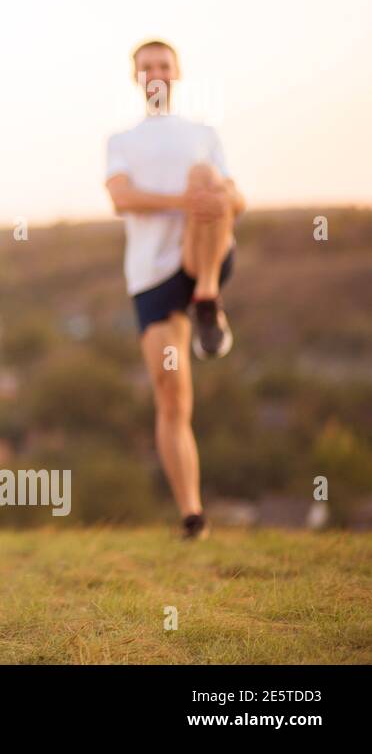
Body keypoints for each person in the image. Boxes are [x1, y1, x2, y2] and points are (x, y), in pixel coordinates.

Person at [104, 40, 244, 540]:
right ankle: (192, 516)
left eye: (163, 65)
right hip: (152, 278)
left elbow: (238, 199)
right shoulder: (122, 140)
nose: (156, 73)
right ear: (137, 78)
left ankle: (207, 298)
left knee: (210, 177)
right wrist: (184, 200)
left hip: (200, 256)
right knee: (171, 395)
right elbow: (121, 198)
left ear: (177, 71)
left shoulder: (203, 134)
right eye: (147, 68)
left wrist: (214, 195)